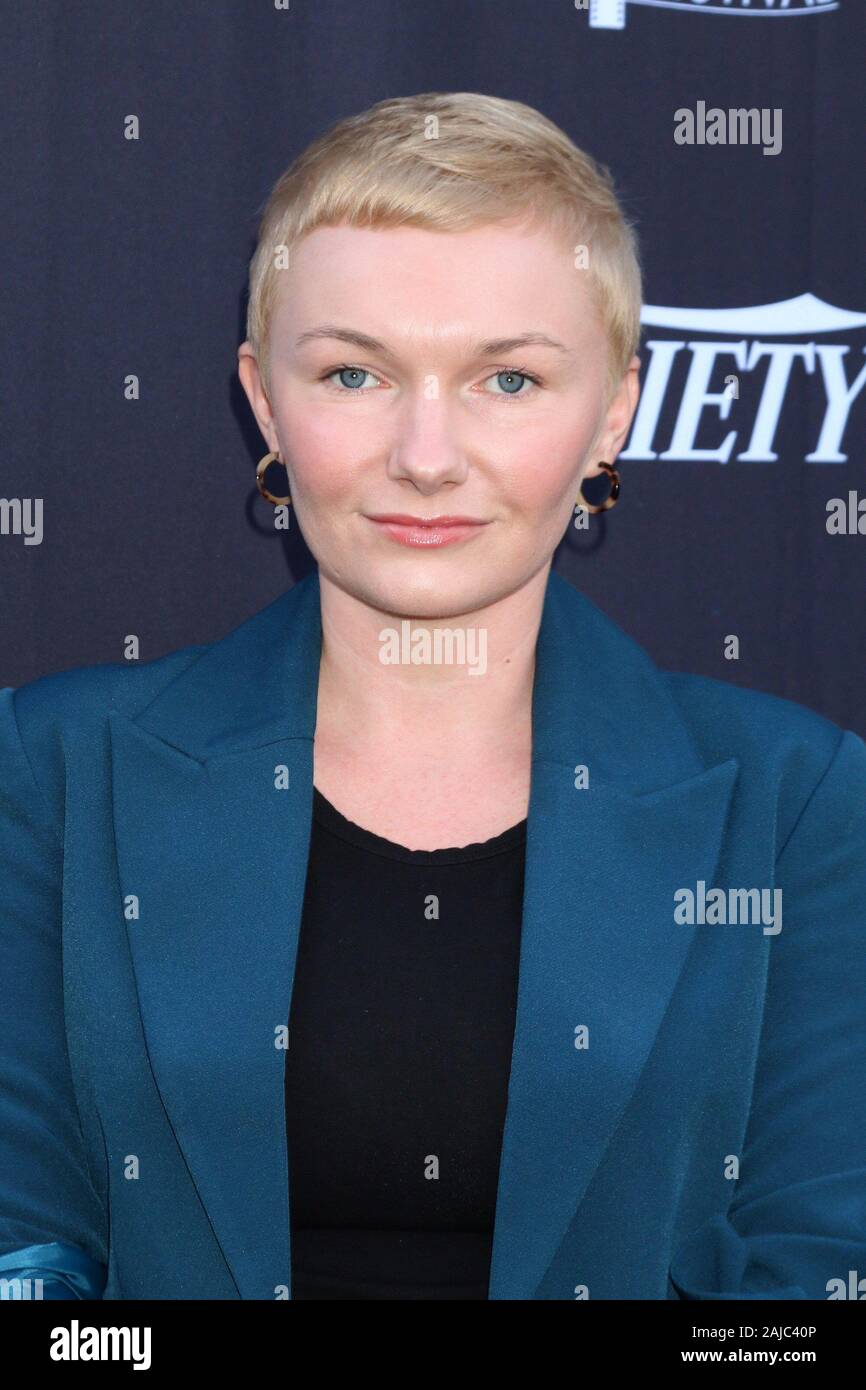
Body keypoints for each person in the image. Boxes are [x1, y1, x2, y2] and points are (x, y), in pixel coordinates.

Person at [1, 92, 865, 1302]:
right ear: (263, 399)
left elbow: (817, 1281)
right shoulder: (49, 770)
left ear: (611, 410)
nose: (423, 453)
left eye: (505, 381)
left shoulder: (797, 804)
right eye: (353, 372)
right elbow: (25, 1257)